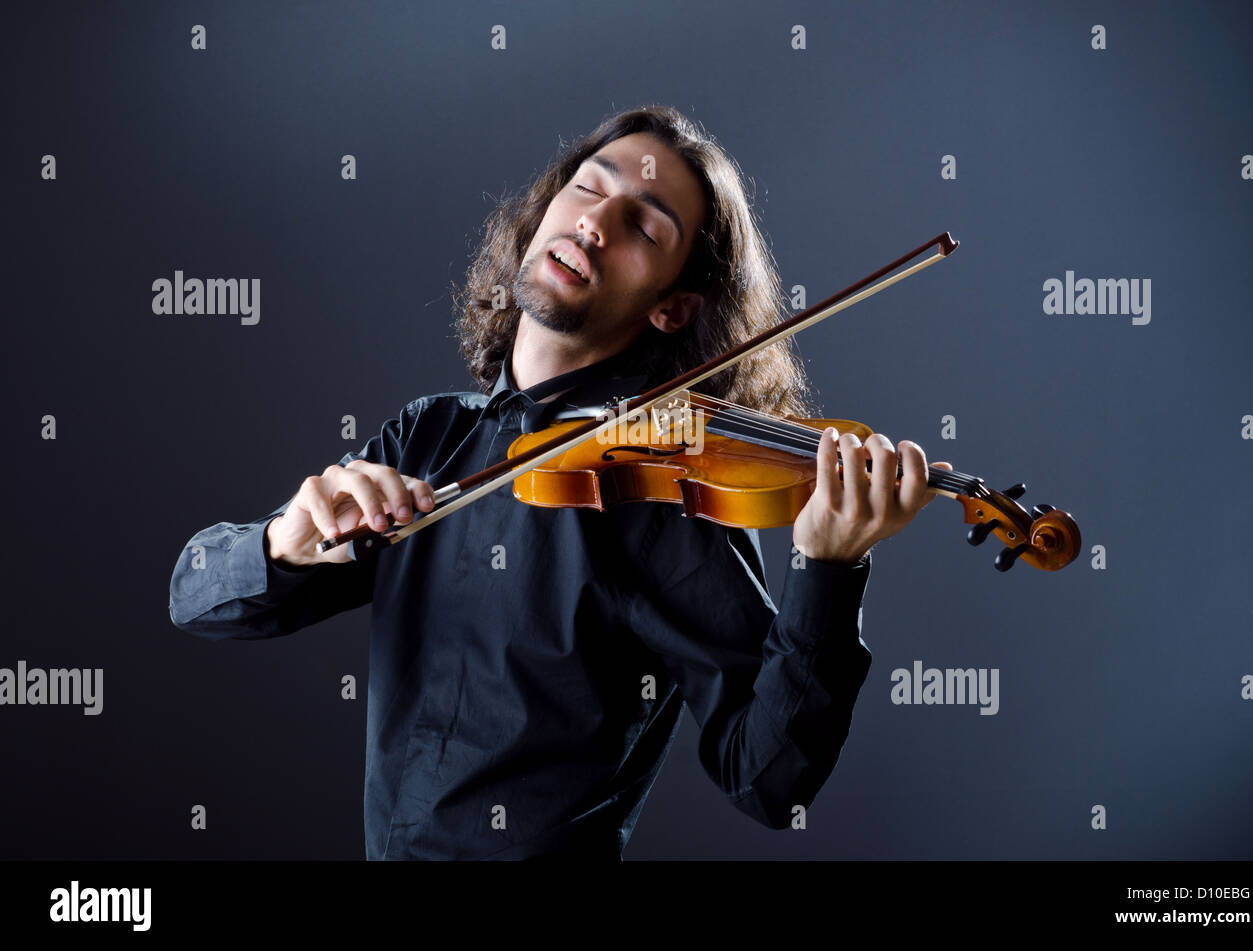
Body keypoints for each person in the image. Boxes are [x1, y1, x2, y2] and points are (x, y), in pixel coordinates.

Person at [168, 105, 951, 860]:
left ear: (674, 308)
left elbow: (770, 778)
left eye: (644, 225)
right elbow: (194, 596)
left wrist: (827, 569)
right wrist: (284, 544)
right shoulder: (429, 438)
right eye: (588, 184)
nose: (596, 222)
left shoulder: (659, 501)